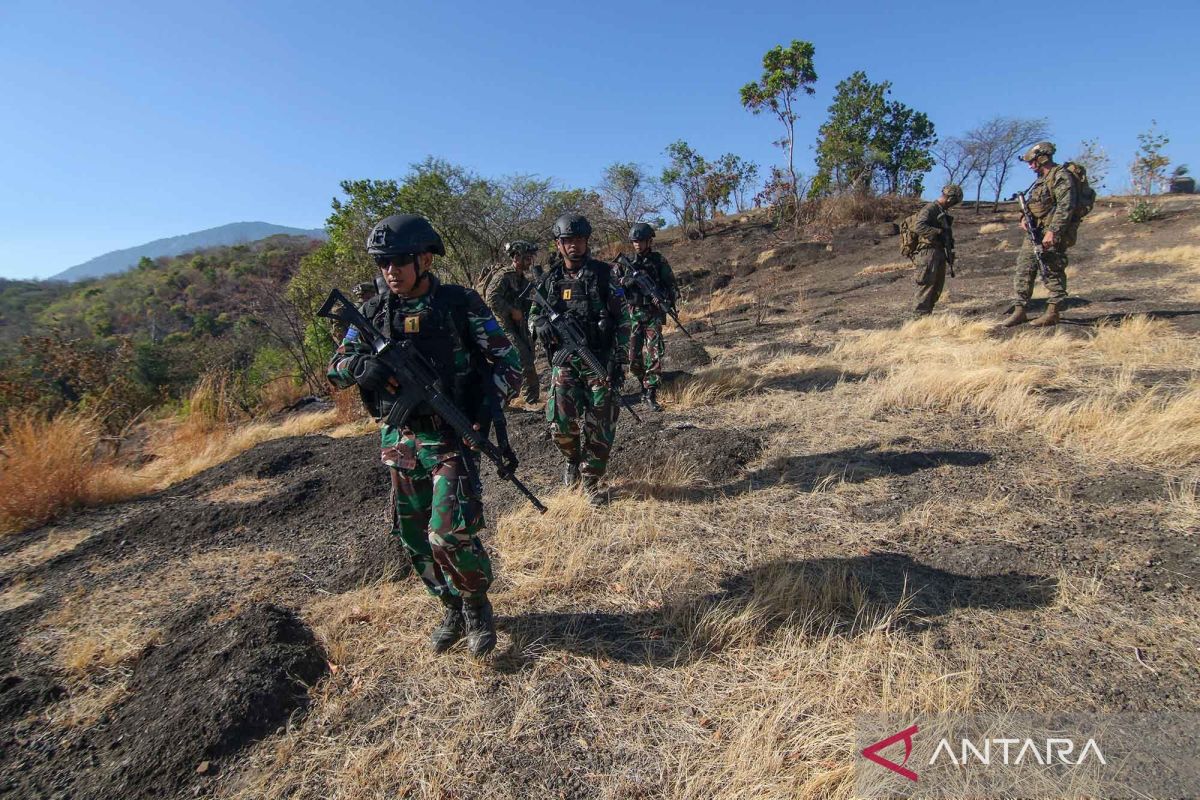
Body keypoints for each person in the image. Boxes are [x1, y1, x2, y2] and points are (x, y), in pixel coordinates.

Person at [326, 213, 521, 658]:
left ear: (425, 259)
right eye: (382, 263)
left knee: (448, 532)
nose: (390, 272)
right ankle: (448, 604)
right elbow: (335, 370)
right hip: (401, 442)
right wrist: (360, 367)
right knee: (412, 537)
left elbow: (507, 364)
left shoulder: (459, 304)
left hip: (451, 436)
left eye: (398, 261)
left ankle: (475, 604)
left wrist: (480, 413)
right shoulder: (372, 313)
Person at [527, 213, 629, 505]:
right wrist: (540, 325)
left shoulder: (603, 274)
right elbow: (534, 316)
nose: (573, 246)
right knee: (560, 424)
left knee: (601, 426)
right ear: (558, 245)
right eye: (567, 241)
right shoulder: (549, 281)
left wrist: (618, 359)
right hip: (565, 362)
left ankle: (591, 480)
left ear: (586, 242)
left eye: (579, 240)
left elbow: (623, 319)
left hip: (599, 361)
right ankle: (572, 459)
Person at [1002, 141, 1079, 328]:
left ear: (1042, 158)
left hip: (1051, 232)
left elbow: (1065, 207)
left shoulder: (1061, 176)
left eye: (1032, 161)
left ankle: (1053, 312)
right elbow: (1033, 204)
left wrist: (1053, 231)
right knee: (1024, 268)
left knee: (1051, 269)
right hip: (1034, 231)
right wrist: (1023, 217)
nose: (1030, 165)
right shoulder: (1039, 180)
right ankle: (1020, 310)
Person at [612, 223, 677, 410]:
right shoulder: (623, 263)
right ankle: (643, 382)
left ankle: (650, 392)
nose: (637, 245)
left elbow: (671, 285)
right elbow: (613, 290)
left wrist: (664, 299)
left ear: (649, 241)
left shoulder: (658, 261)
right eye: (634, 241)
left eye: (641, 241)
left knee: (654, 352)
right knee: (632, 358)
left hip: (652, 314)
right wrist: (626, 283)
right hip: (631, 314)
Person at [483, 241, 540, 404]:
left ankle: (532, 400)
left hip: (518, 325)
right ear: (516, 257)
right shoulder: (504, 276)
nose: (530, 261)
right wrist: (511, 310)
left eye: (530, 258)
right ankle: (527, 400)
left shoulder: (522, 278)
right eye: (527, 258)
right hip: (502, 325)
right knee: (522, 357)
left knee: (528, 355)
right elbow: (491, 298)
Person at [910, 184, 961, 316]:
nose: (953, 204)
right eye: (954, 201)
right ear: (950, 198)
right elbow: (919, 226)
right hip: (928, 253)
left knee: (937, 287)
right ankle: (918, 320)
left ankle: (927, 317)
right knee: (926, 286)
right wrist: (938, 232)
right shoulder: (931, 208)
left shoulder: (941, 211)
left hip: (938, 252)